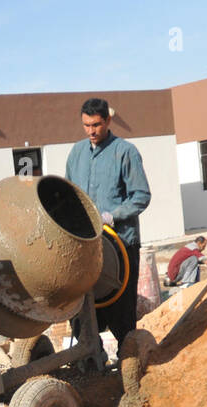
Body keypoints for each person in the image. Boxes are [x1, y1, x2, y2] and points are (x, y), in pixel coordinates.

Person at [65, 97, 151, 349]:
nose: (91, 131)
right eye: (86, 125)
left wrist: (112, 215)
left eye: (96, 125)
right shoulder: (77, 153)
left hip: (120, 246)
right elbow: (69, 193)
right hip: (86, 248)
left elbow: (141, 195)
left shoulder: (125, 152)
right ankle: (93, 366)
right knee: (83, 317)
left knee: (121, 316)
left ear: (108, 121)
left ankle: (131, 367)